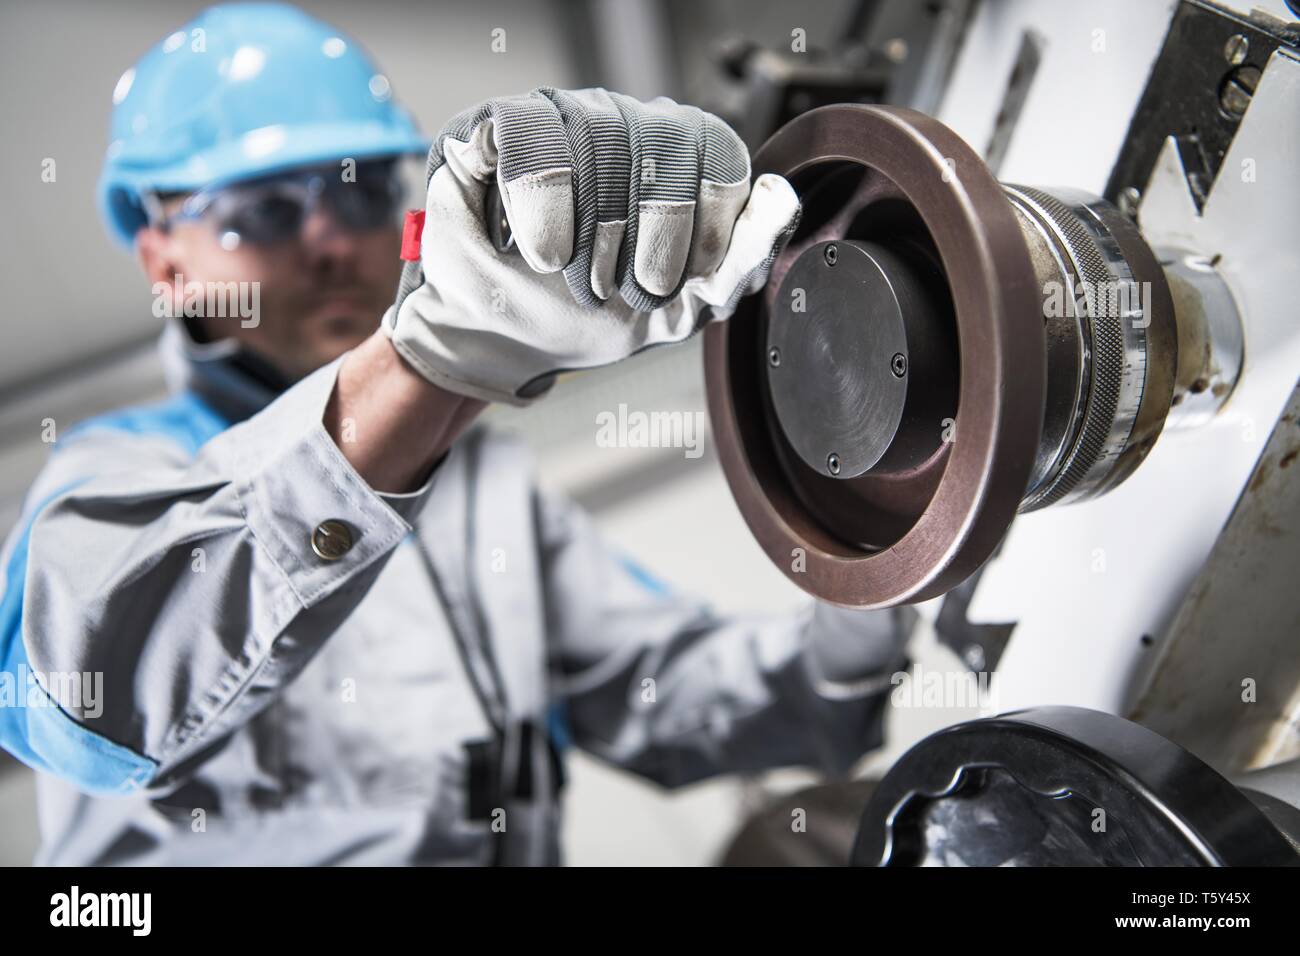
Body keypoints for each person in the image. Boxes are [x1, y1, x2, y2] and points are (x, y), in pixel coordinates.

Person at [0, 3, 911, 865]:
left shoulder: (487, 495)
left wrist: (884, 557)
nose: (328, 240)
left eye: (354, 197)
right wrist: (429, 365)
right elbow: (80, 695)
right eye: (264, 213)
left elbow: (678, 696)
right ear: (168, 261)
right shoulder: (112, 476)